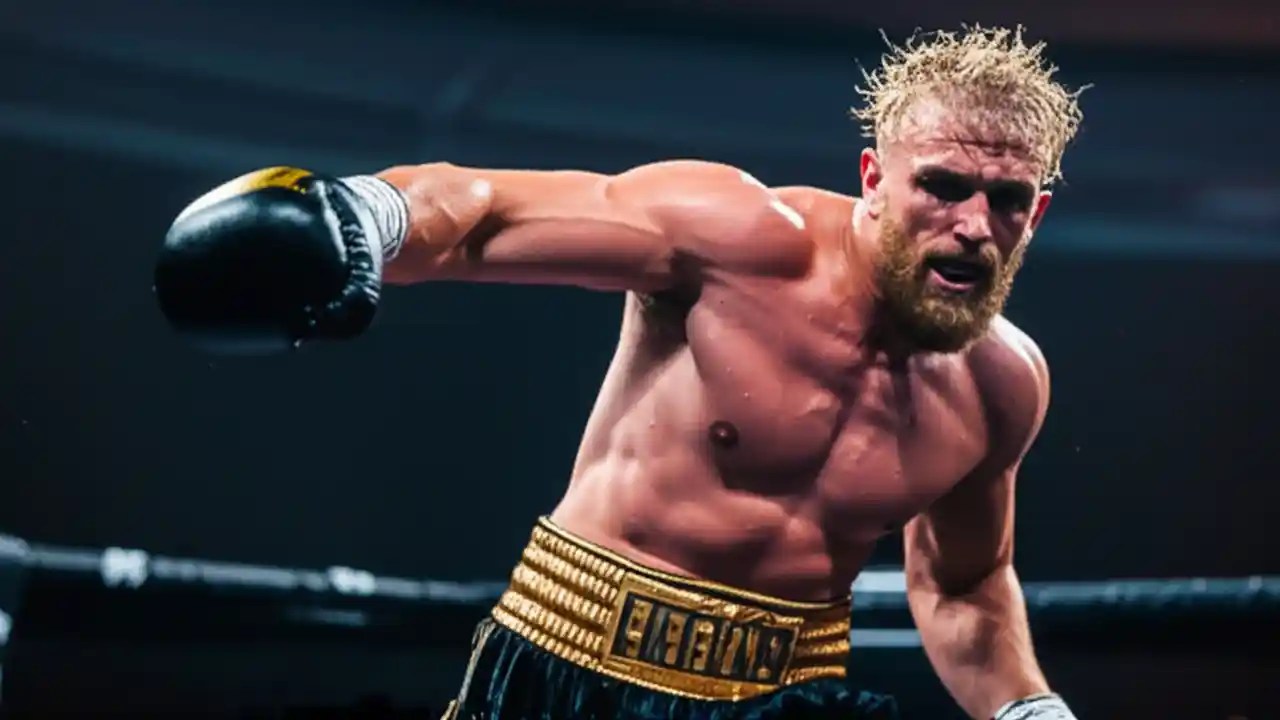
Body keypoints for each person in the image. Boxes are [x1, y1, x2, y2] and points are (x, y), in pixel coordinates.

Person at [154, 25, 1086, 720]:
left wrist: (1032, 711)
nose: (973, 225)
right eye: (942, 186)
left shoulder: (1002, 386)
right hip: (573, 671)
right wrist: (360, 218)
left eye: (1006, 200)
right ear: (876, 178)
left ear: (1035, 215)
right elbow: (486, 211)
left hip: (786, 699)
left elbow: (965, 589)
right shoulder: (739, 239)